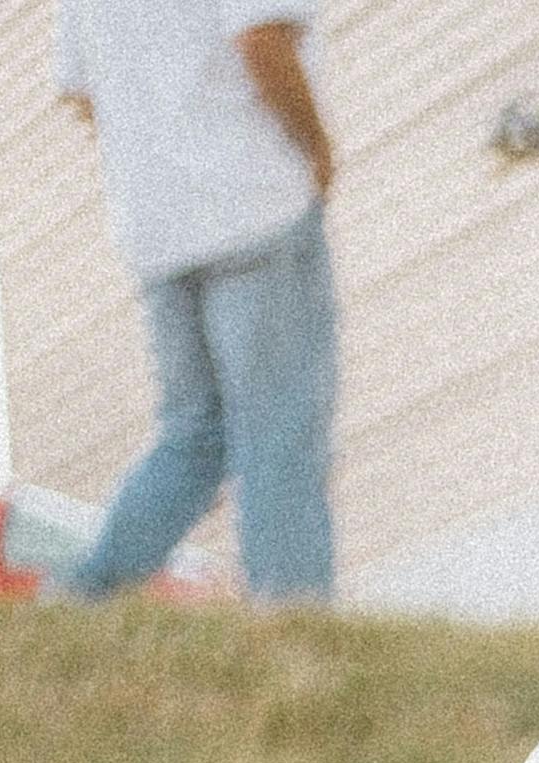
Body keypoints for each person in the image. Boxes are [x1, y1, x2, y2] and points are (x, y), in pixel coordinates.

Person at [42, 0, 339, 604]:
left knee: (194, 437)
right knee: (278, 433)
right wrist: (316, 149)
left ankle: (82, 599)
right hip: (255, 207)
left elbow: (81, 92)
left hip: (157, 228)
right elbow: (261, 37)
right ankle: (293, 622)